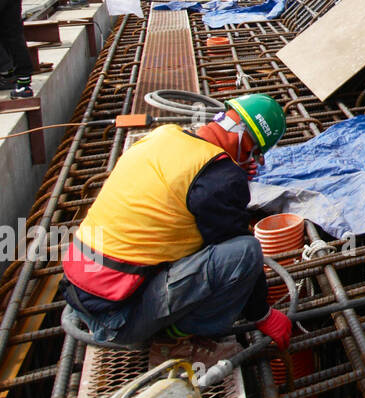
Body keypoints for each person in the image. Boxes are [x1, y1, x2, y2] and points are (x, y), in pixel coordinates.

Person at [61, 94, 293, 361]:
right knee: (246, 252)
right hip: (118, 318)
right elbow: (235, 243)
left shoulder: (164, 136)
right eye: (256, 154)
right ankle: (172, 343)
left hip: (79, 288)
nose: (256, 161)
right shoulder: (221, 178)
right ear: (250, 145)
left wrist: (231, 168)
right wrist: (261, 314)